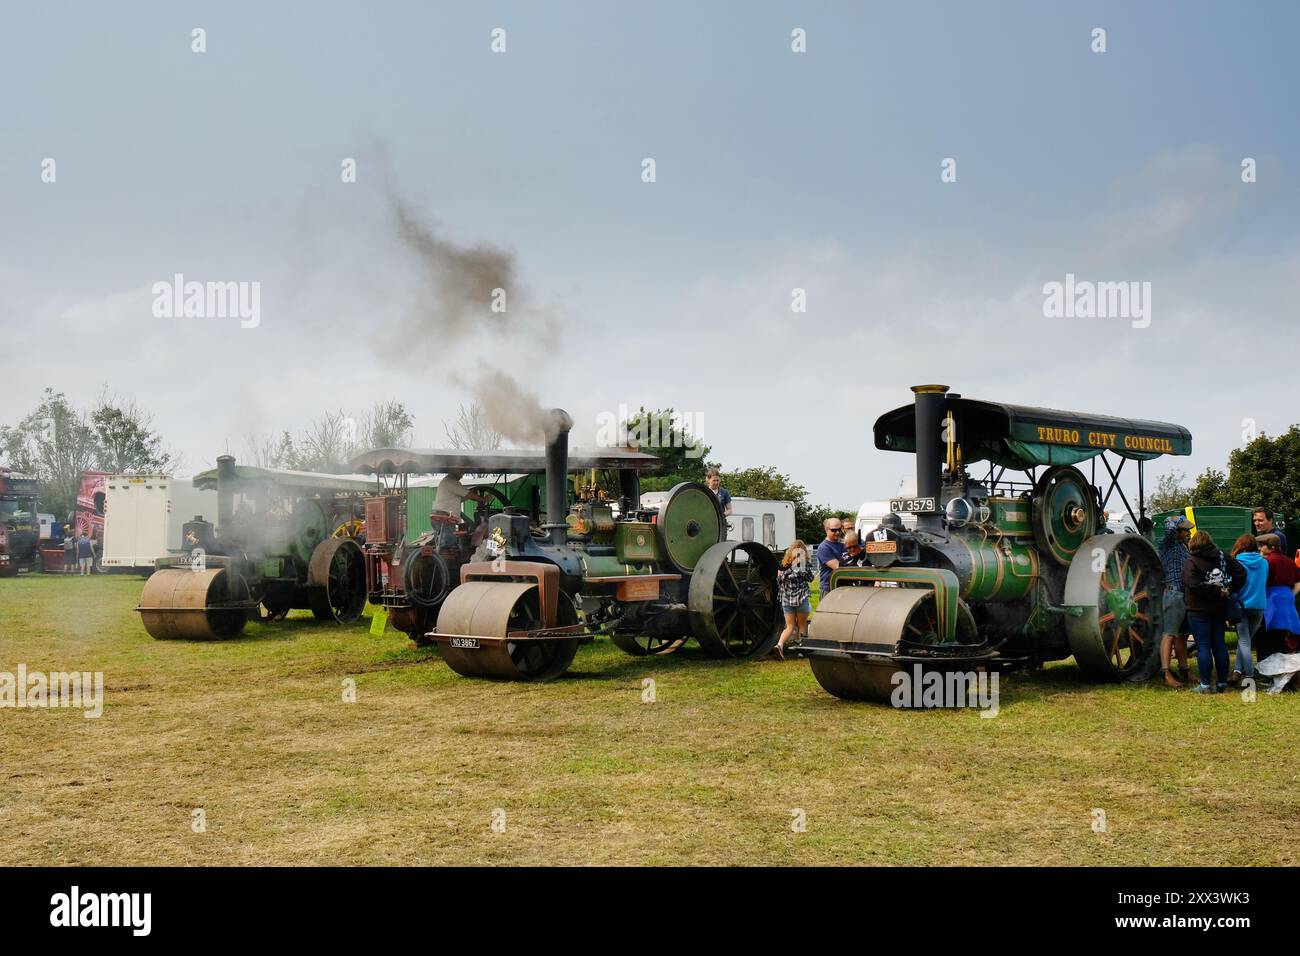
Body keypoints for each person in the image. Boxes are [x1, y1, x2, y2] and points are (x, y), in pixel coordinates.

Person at [1181, 531, 1246, 693]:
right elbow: (1241, 573)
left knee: (1203, 646)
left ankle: (1205, 685)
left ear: (1193, 544)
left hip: (1198, 609)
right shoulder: (1222, 556)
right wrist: (1228, 589)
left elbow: (1192, 584)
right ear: (1210, 542)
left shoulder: (1192, 561)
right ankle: (1222, 683)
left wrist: (1214, 591)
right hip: (1219, 608)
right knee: (1219, 645)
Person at [1157, 516, 1193, 687]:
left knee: (1182, 635)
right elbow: (1169, 530)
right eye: (1185, 530)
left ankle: (1184, 671)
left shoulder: (1182, 547)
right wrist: (1175, 520)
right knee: (1169, 634)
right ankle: (1165, 673)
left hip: (1184, 594)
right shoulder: (1168, 544)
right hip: (1173, 593)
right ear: (1177, 531)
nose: (1189, 533)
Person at [1256, 533, 1300, 663]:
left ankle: (1267, 668)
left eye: (1262, 546)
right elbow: (1298, 582)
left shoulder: (1267, 562)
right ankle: (1283, 665)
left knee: (1267, 637)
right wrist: (1290, 594)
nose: (1259, 549)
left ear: (1272, 547)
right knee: (1283, 637)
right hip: (1287, 599)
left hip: (1271, 599)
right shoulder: (1289, 561)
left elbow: (1261, 582)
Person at [1230, 534, 1267, 684]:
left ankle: (1250, 675)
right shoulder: (1264, 563)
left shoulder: (1237, 562)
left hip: (1241, 605)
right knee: (1245, 641)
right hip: (1259, 606)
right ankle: (1237, 671)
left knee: (1244, 642)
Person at [774, 540, 813, 659]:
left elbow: (778, 581)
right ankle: (802, 651)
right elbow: (810, 578)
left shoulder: (782, 567)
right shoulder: (802, 566)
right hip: (801, 598)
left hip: (786, 600)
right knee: (802, 625)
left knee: (789, 626)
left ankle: (779, 645)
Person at [816, 517, 846, 596]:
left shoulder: (843, 545)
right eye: (834, 530)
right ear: (826, 530)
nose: (837, 532)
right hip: (829, 589)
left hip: (842, 587)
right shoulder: (824, 547)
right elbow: (839, 568)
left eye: (839, 529)